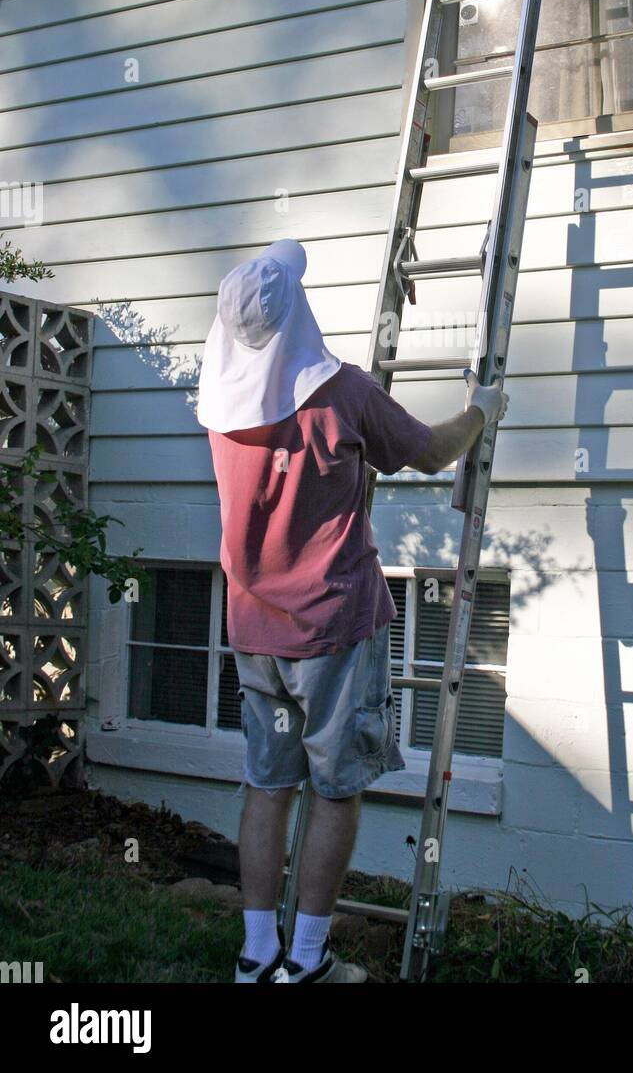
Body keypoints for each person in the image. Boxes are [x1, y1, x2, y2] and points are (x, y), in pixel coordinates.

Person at [196, 237, 508, 984]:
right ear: (298, 313)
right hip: (331, 629)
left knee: (268, 786)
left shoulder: (219, 404)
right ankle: (306, 961)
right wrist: (480, 413)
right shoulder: (343, 393)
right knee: (335, 789)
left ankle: (256, 956)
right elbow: (432, 453)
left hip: (253, 627)